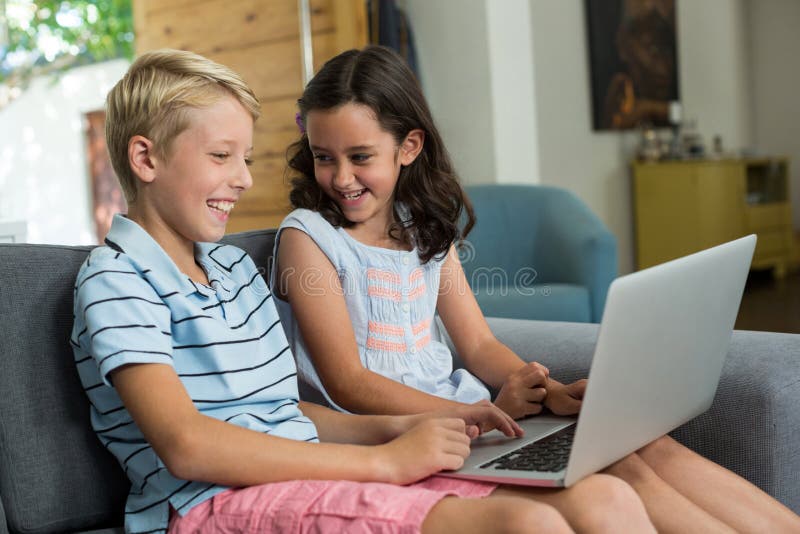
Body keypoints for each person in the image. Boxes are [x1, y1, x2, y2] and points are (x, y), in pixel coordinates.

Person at [71, 48, 658, 534]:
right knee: (532, 526)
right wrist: (380, 460)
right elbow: (186, 446)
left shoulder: (233, 271)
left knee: (602, 501)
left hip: (311, 472)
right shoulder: (117, 280)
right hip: (208, 503)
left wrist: (404, 431)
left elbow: (291, 413)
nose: (245, 179)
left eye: (245, 159)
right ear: (145, 158)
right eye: (222, 157)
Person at [273, 45, 800, 533]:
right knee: (623, 479)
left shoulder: (420, 227)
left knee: (648, 450)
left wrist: (544, 391)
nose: (341, 178)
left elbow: (478, 344)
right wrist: (467, 414)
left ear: (409, 146)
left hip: (473, 422)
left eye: (360, 156)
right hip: (406, 434)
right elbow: (347, 383)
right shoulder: (310, 238)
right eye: (324, 157)